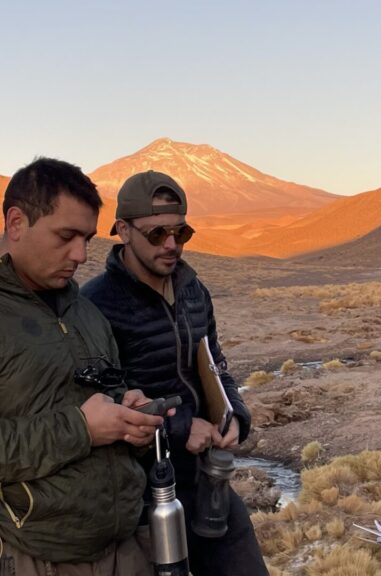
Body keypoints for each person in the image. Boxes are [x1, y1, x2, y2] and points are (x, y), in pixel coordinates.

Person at [0, 158, 169, 575]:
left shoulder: (85, 313)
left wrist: (126, 415)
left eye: (86, 238)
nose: (81, 254)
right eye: (66, 236)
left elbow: (96, 398)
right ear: (16, 223)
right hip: (26, 556)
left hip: (122, 549)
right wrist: (80, 429)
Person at [82, 170, 267, 576]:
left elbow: (215, 364)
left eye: (181, 233)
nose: (171, 245)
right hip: (140, 492)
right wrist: (183, 427)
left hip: (205, 479)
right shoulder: (95, 304)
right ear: (123, 231)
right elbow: (100, 398)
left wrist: (235, 413)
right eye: (156, 234)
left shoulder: (193, 290)